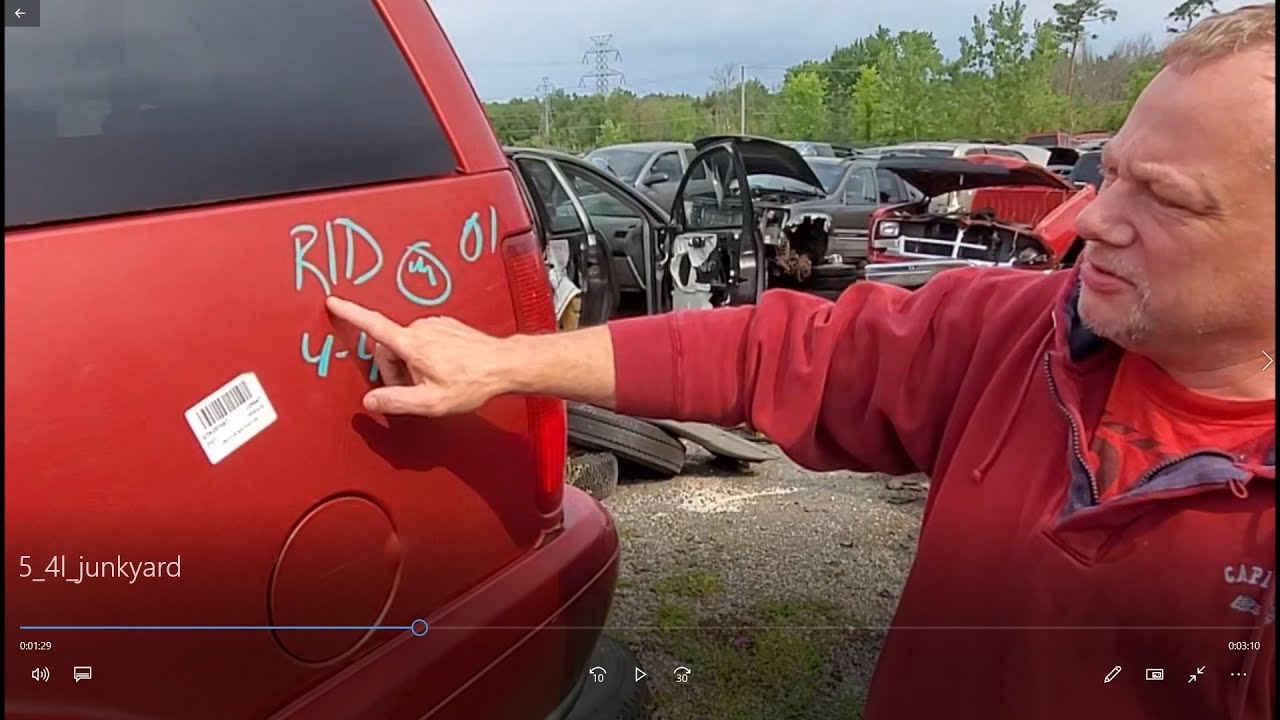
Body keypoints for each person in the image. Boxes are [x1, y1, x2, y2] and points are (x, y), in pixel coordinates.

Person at [326, 5, 1275, 718]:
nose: (1091, 220)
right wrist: (506, 362)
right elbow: (773, 352)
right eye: (1108, 173)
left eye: (1167, 199)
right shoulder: (1018, 336)